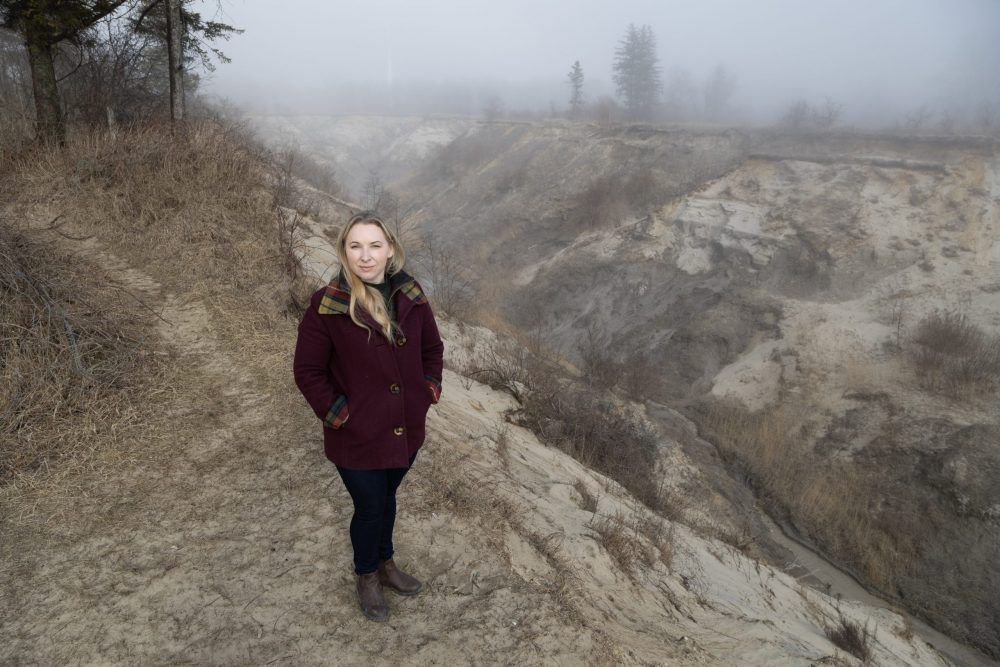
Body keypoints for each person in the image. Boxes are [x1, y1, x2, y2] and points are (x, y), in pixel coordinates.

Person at [293, 211, 444, 622]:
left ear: (390, 249)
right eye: (355, 246)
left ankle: (386, 563)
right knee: (370, 507)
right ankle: (367, 575)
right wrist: (340, 414)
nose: (365, 256)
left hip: (406, 430)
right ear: (344, 251)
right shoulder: (328, 304)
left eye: (374, 245)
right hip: (356, 436)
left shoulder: (411, 295)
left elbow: (432, 349)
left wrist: (428, 388)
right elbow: (307, 371)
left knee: (388, 498)